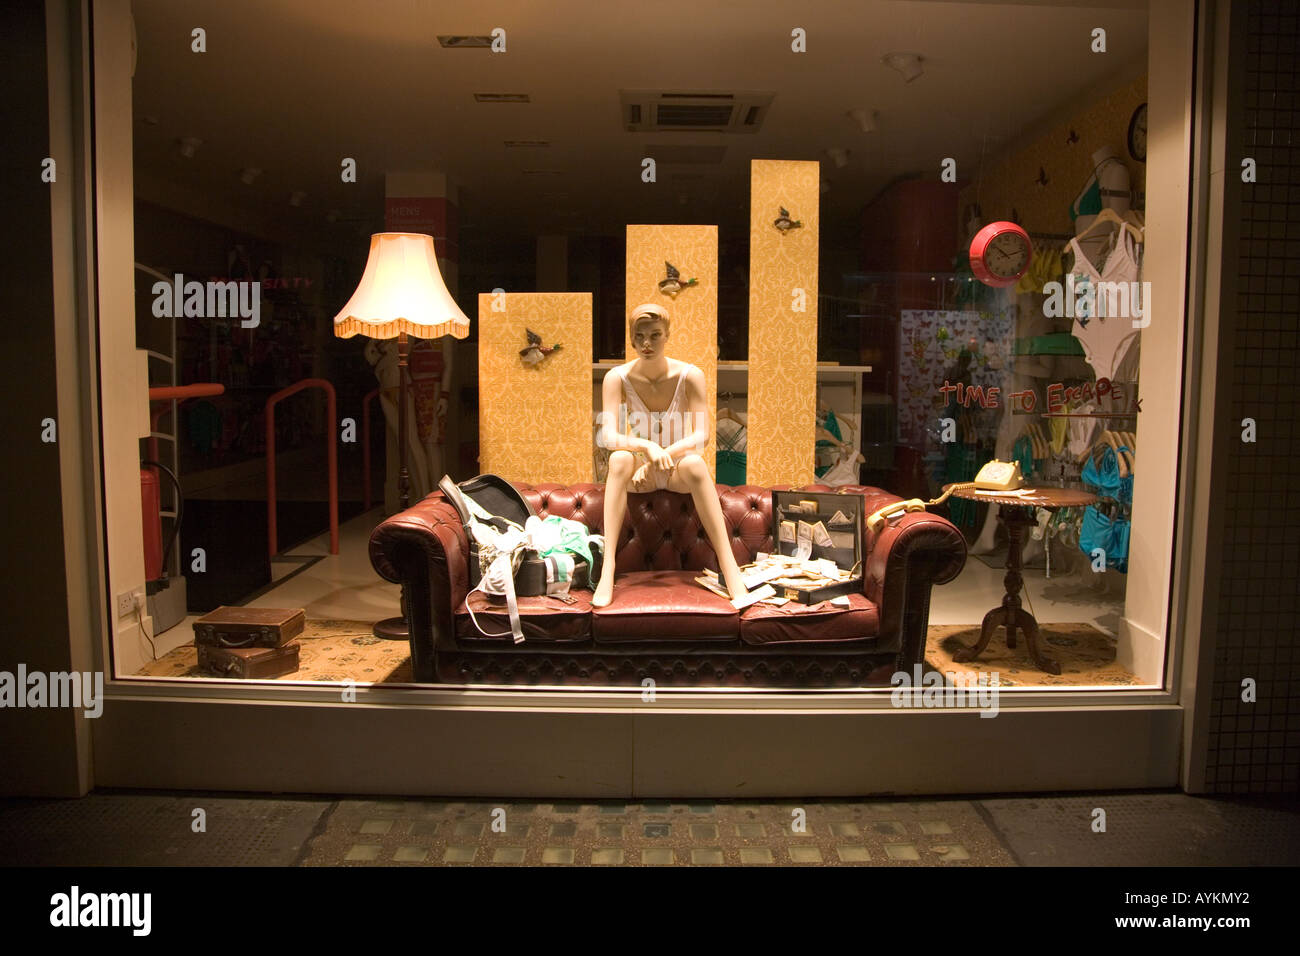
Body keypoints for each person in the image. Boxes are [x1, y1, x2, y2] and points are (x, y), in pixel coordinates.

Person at [592, 303, 751, 608]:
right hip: (640, 475)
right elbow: (608, 436)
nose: (647, 344)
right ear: (631, 338)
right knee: (618, 459)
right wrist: (647, 449)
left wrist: (662, 453)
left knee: (695, 463)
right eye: (639, 337)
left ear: (667, 335)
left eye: (655, 335)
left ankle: (729, 566)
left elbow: (702, 435)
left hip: (676, 471)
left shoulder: (690, 375)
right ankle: (607, 568)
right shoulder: (617, 377)